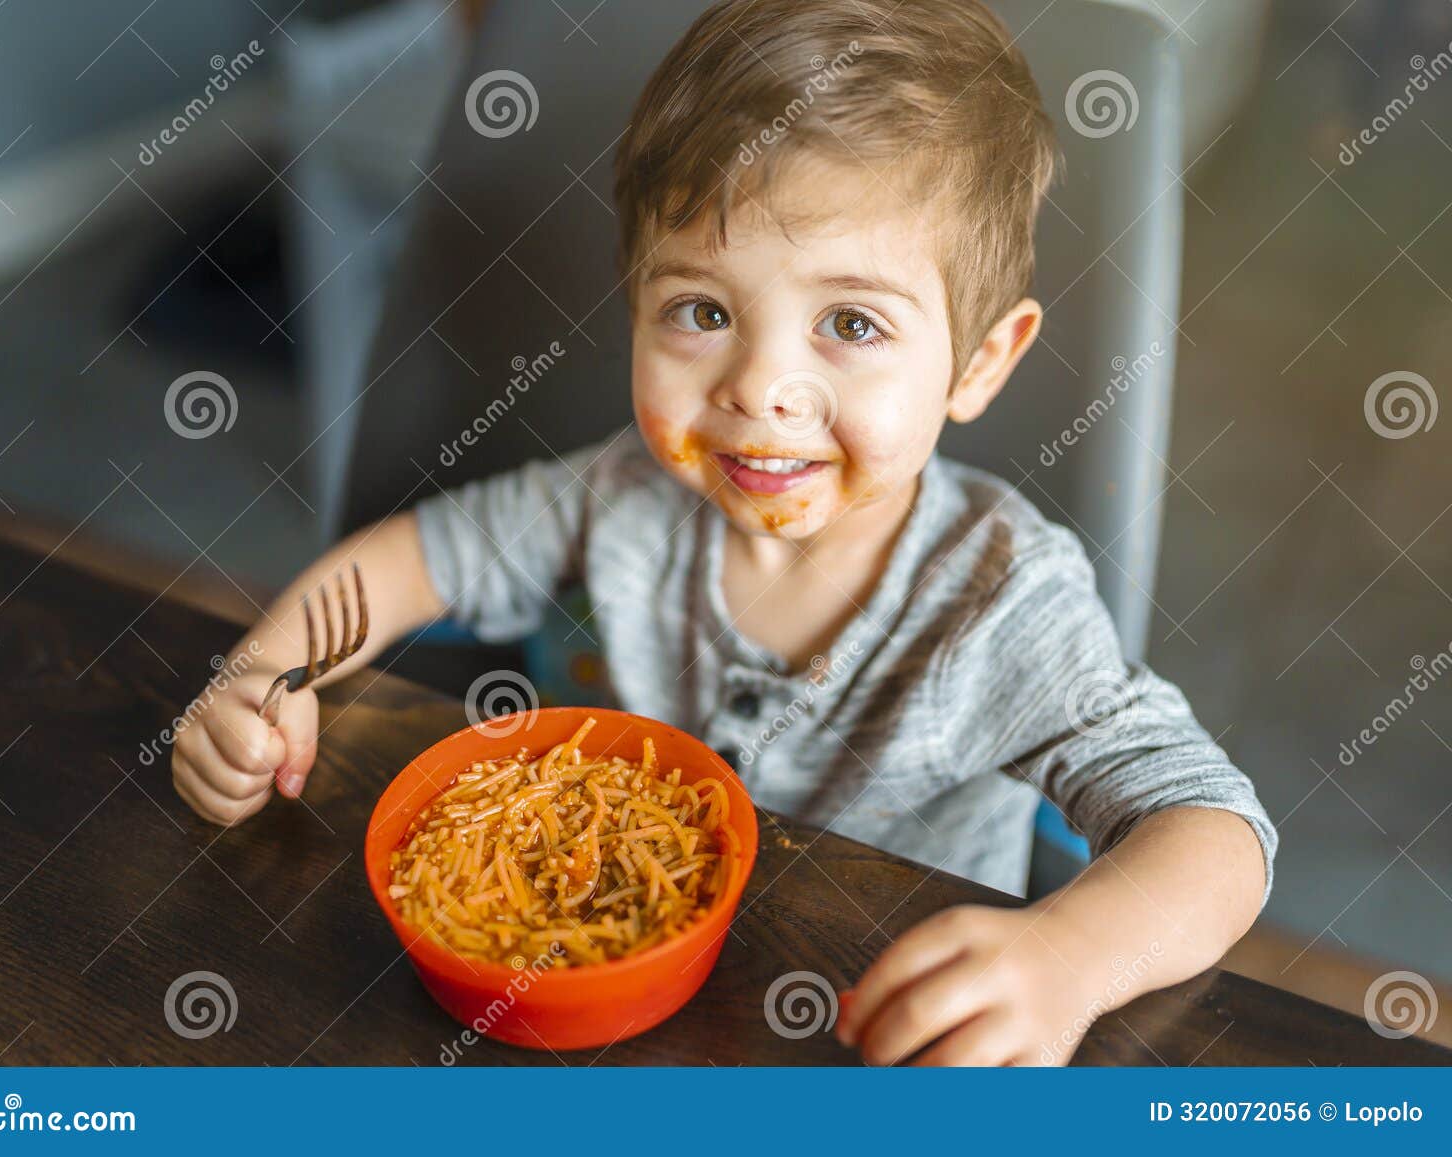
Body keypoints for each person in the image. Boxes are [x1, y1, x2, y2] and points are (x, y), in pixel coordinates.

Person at [171, 0, 1274, 1066]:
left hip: (864, 1027)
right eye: (702, 310)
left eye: (850, 323)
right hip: (609, 996)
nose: (760, 386)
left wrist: (1069, 957)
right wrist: (265, 676)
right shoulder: (626, 492)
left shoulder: (1001, 598)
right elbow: (412, 558)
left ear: (978, 361)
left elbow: (1214, 829)